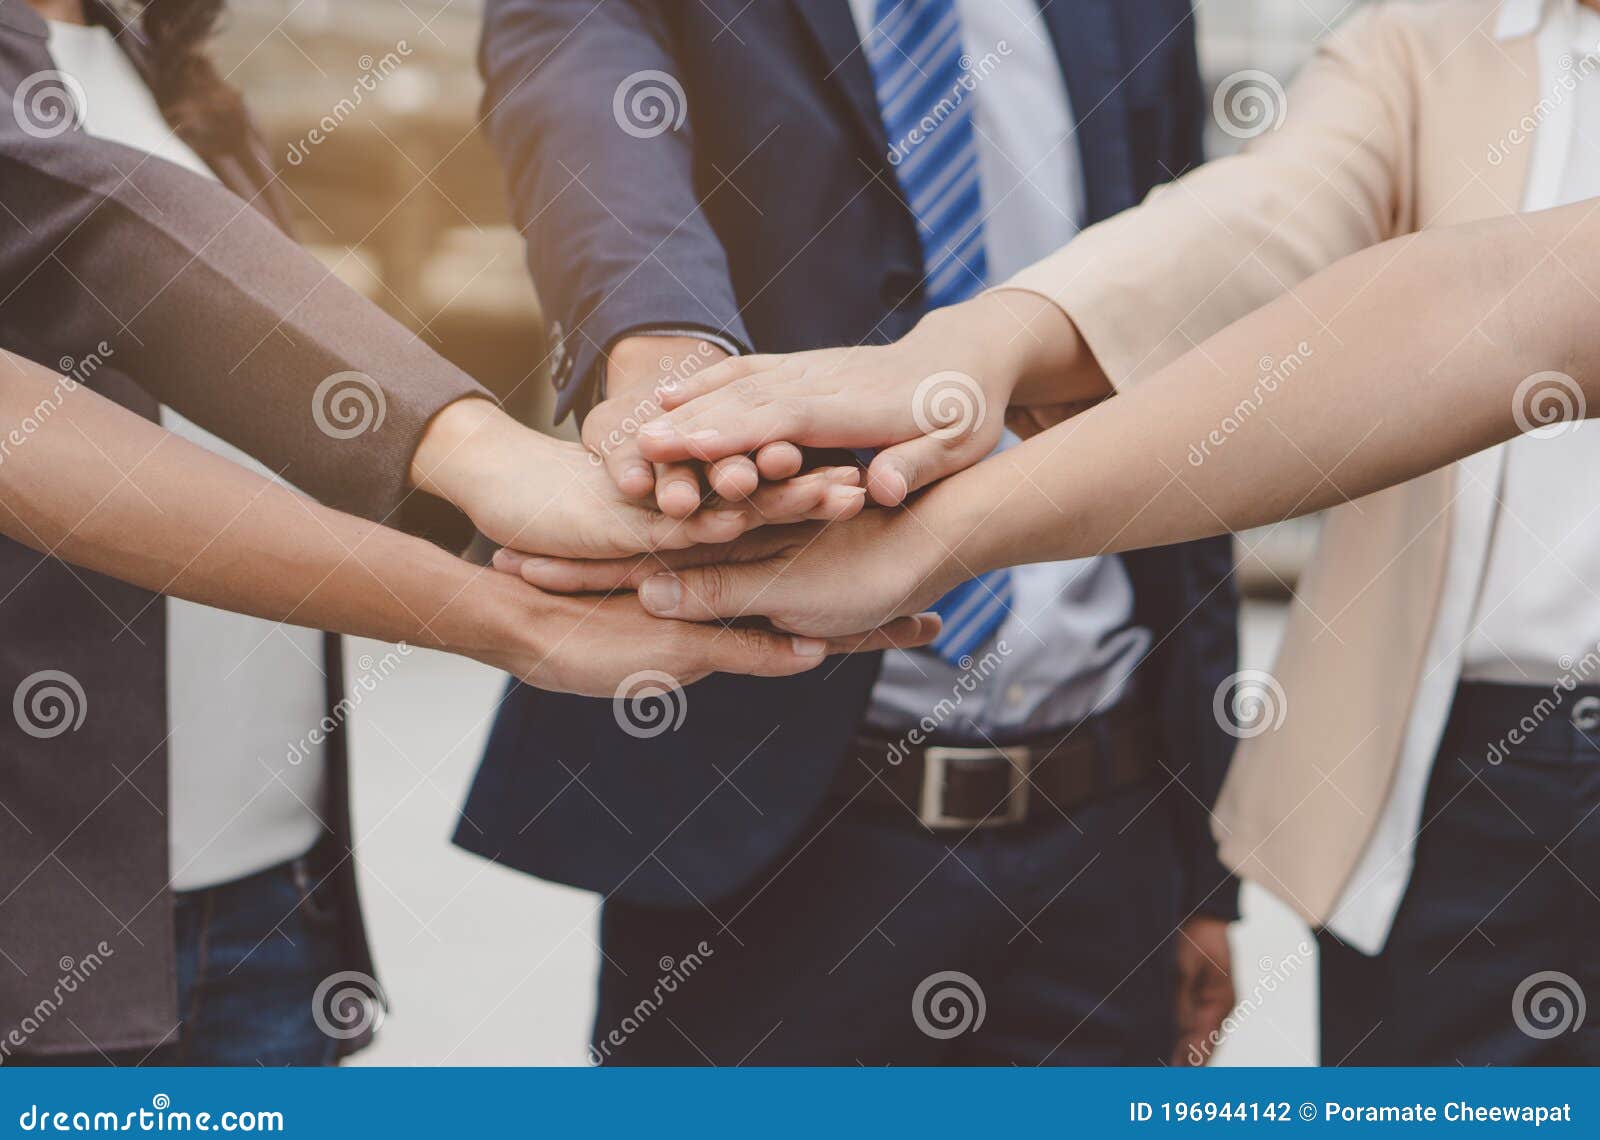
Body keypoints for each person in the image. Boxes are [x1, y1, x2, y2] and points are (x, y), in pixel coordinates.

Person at [519, 192, 1600, 1072]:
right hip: (786, 852)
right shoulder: (1430, 39)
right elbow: (1474, 304)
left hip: (1104, 837)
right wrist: (968, 359)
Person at [0, 0, 890, 1065]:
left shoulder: (158, 63)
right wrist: (490, 505)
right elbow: (86, 254)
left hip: (261, 903)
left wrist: (543, 546)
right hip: (45, 939)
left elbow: (235, 392)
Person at [471, 0, 1240, 1066]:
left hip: (1101, 838)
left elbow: (1180, 357)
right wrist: (658, 330)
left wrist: (1202, 866)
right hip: (770, 836)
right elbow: (573, 66)